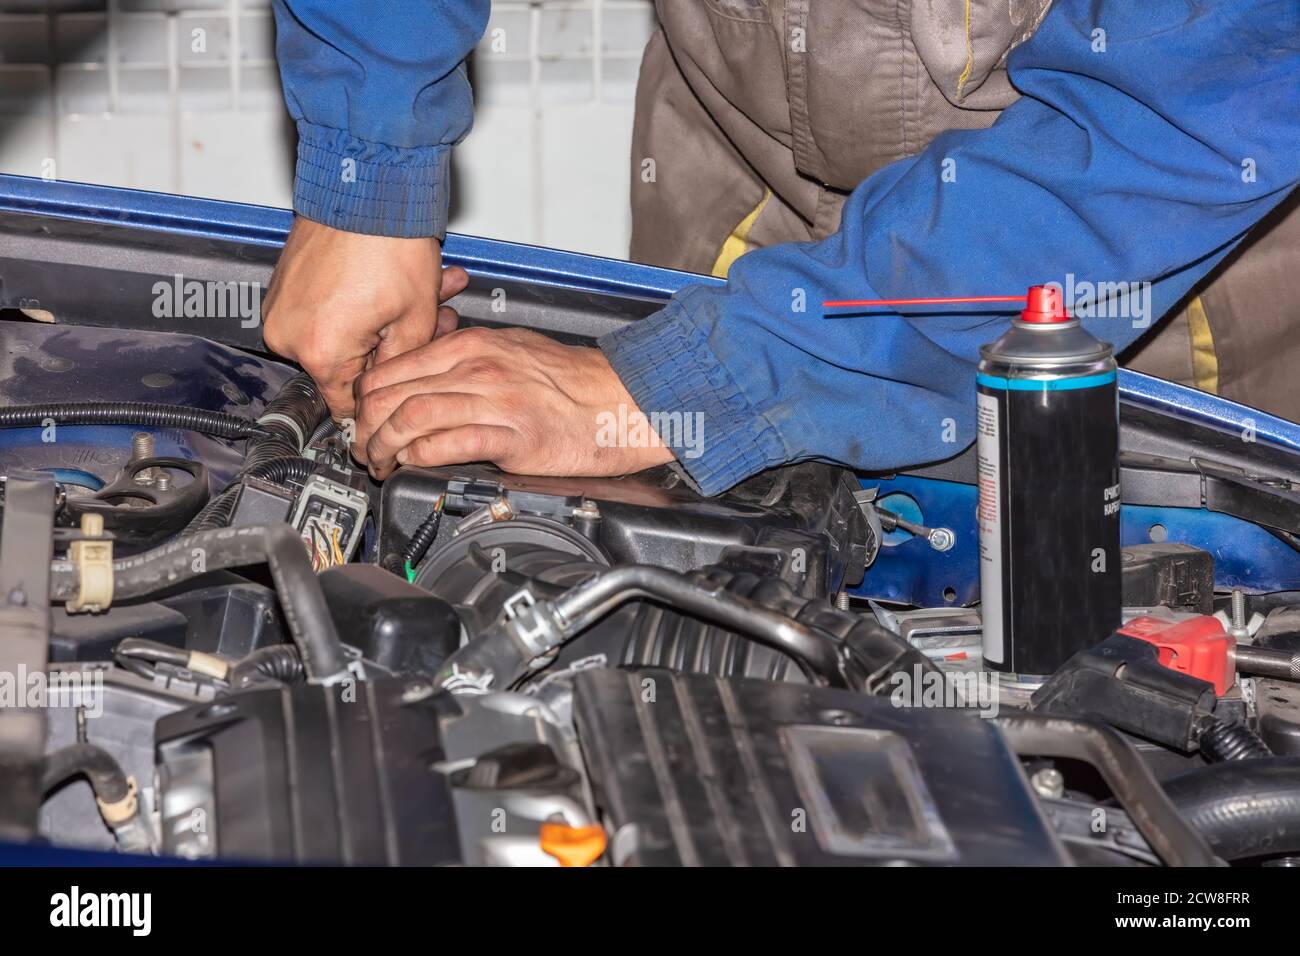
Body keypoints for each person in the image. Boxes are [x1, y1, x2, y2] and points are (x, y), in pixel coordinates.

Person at [262, 0, 1300, 497]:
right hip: (739, 176)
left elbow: (1173, 116)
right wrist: (369, 161)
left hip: (1144, 255)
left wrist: (692, 386)